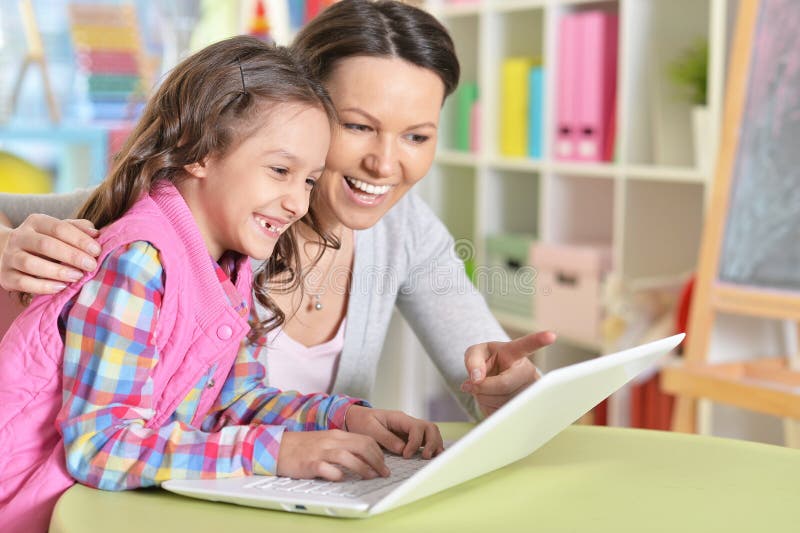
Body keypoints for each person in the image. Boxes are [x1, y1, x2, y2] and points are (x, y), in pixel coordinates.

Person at [0, 0, 554, 421]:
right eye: (357, 126)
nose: (385, 163)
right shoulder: (194, 213)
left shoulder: (404, 231)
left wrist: (512, 390)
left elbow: (487, 378)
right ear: (299, 107)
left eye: (416, 136)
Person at [0, 37, 442, 533]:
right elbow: (99, 447)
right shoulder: (139, 262)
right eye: (281, 171)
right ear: (201, 153)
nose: (297, 202)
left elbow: (232, 402)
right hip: (39, 514)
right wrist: (273, 452)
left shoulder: (229, 266)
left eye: (310, 181)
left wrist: (341, 418)